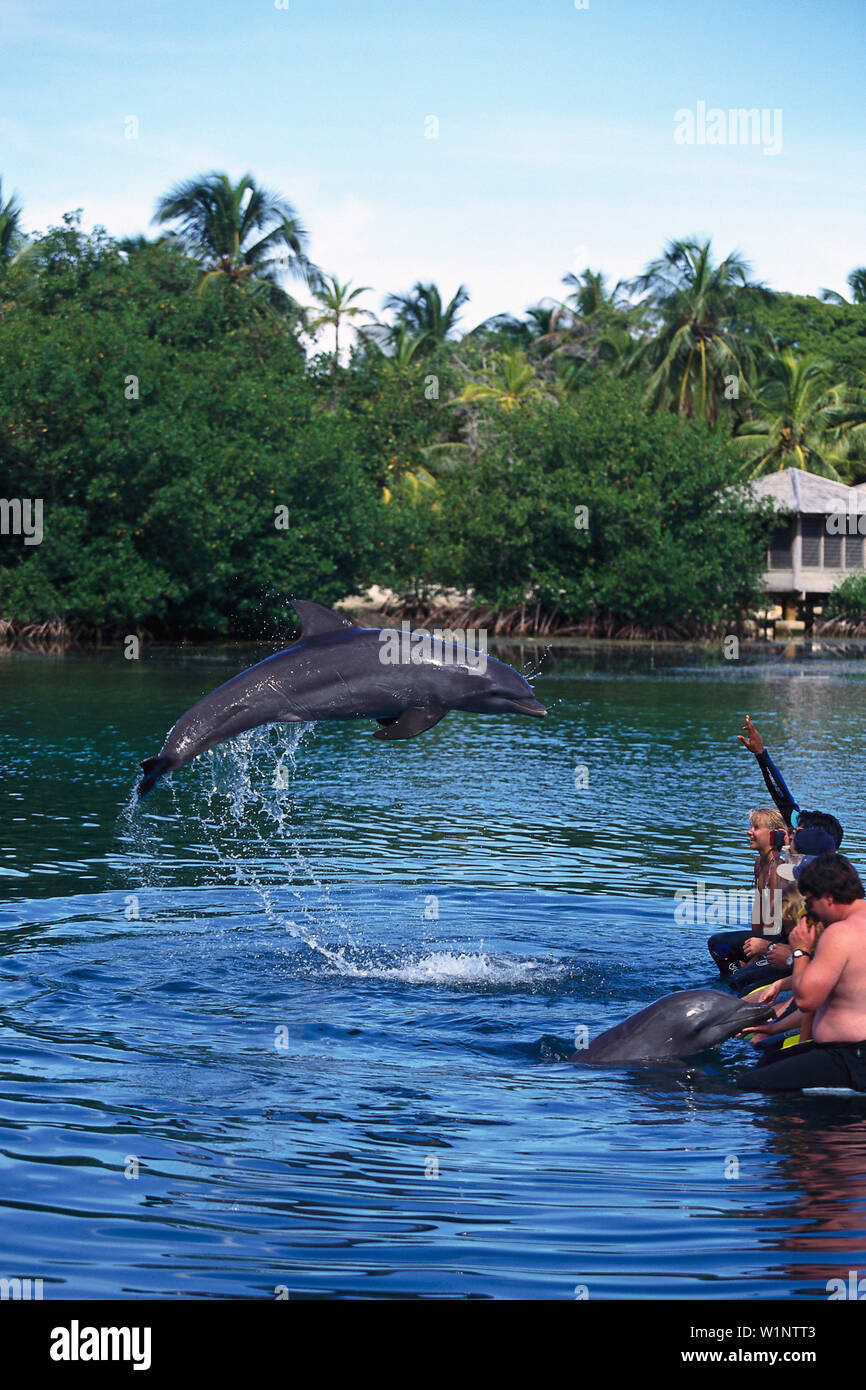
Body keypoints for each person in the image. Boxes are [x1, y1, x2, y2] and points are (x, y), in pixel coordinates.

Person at [738, 855, 866, 1091]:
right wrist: (775, 1028)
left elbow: (807, 1000)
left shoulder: (841, 933)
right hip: (851, 1053)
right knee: (767, 1062)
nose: (810, 912)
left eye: (809, 903)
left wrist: (800, 951)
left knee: (748, 1085)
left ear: (828, 897)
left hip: (850, 1057)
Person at [738, 715, 844, 847]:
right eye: (792, 831)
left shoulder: (814, 865)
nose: (789, 835)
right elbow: (782, 798)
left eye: (796, 833)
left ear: (814, 842)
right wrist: (761, 754)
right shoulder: (795, 857)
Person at [707, 806, 785, 976]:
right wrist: (751, 944)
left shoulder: (778, 869)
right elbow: (758, 911)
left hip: (778, 939)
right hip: (764, 935)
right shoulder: (759, 863)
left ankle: (742, 977)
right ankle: (735, 976)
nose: (749, 832)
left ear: (774, 834)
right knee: (718, 945)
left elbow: (773, 921)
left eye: (756, 828)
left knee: (740, 973)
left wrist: (757, 955)